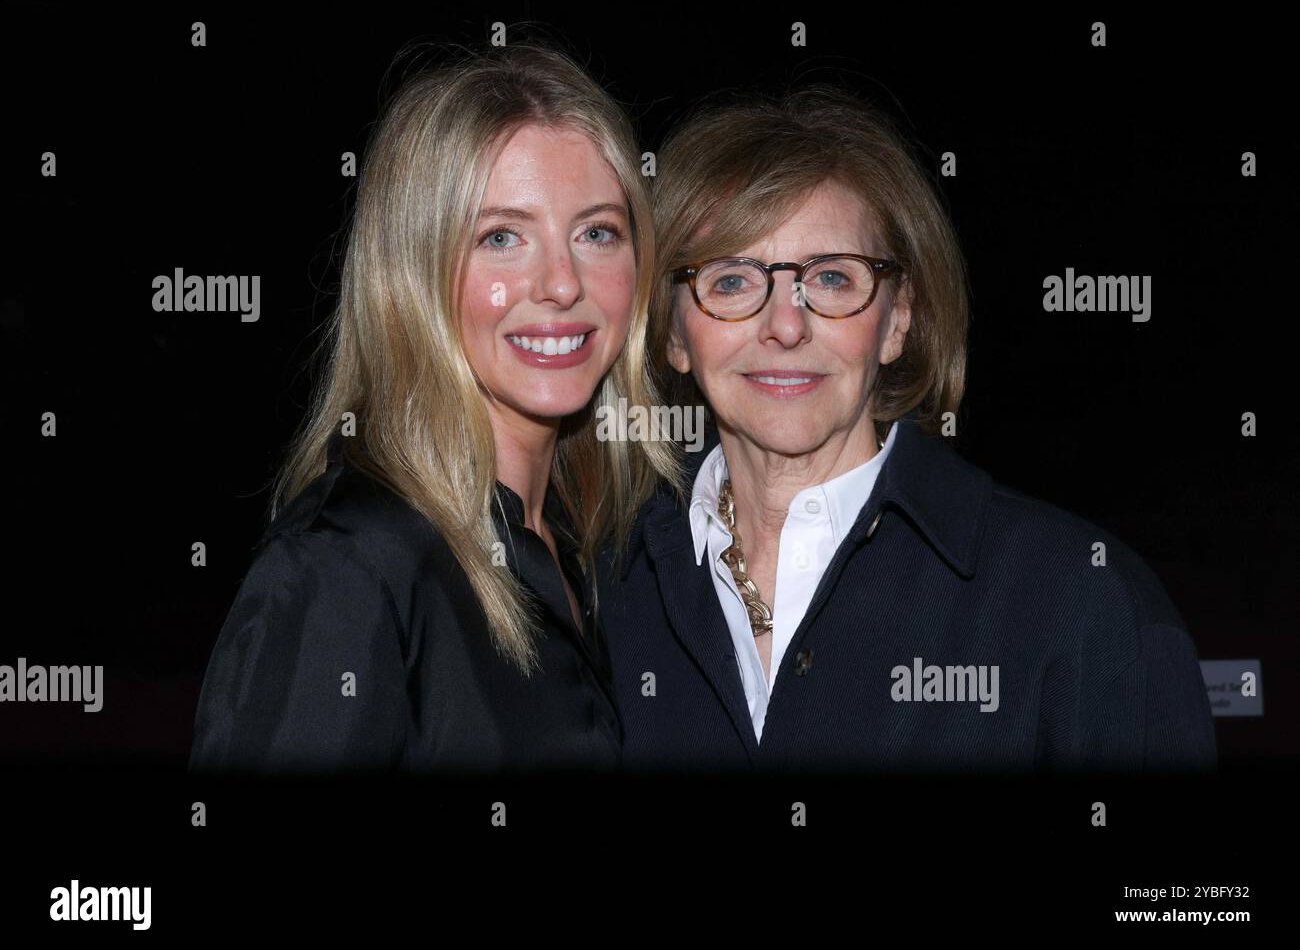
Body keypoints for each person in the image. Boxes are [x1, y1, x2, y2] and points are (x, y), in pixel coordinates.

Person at [598, 85, 1217, 773]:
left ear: (897, 321)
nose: (786, 324)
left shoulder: (1083, 605)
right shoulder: (604, 593)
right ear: (674, 330)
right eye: (733, 281)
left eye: (832, 278)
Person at [188, 43, 675, 774]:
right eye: (502, 237)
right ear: (413, 274)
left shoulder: (587, 548)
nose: (562, 282)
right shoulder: (347, 570)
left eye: (597, 232)